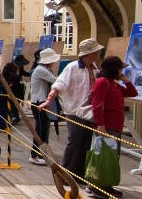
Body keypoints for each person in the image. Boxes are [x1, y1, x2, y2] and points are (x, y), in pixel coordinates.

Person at [39, 38, 104, 184]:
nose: (100, 52)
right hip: (74, 111)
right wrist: (49, 100)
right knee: (74, 142)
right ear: (91, 53)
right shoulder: (73, 67)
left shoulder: (94, 67)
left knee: (86, 143)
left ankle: (79, 175)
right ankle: (65, 175)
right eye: (97, 51)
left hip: (89, 111)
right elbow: (59, 85)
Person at [89, 56, 138, 199]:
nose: (122, 71)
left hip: (115, 126)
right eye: (120, 68)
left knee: (111, 157)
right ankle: (97, 186)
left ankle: (105, 185)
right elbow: (96, 105)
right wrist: (101, 125)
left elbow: (132, 93)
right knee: (103, 157)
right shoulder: (102, 82)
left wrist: (125, 79)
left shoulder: (113, 83)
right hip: (107, 126)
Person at [29, 48, 60, 165]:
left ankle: (42, 153)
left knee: (44, 129)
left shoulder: (46, 69)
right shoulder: (41, 70)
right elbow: (56, 81)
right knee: (40, 130)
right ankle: (34, 155)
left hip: (42, 102)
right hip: (38, 103)